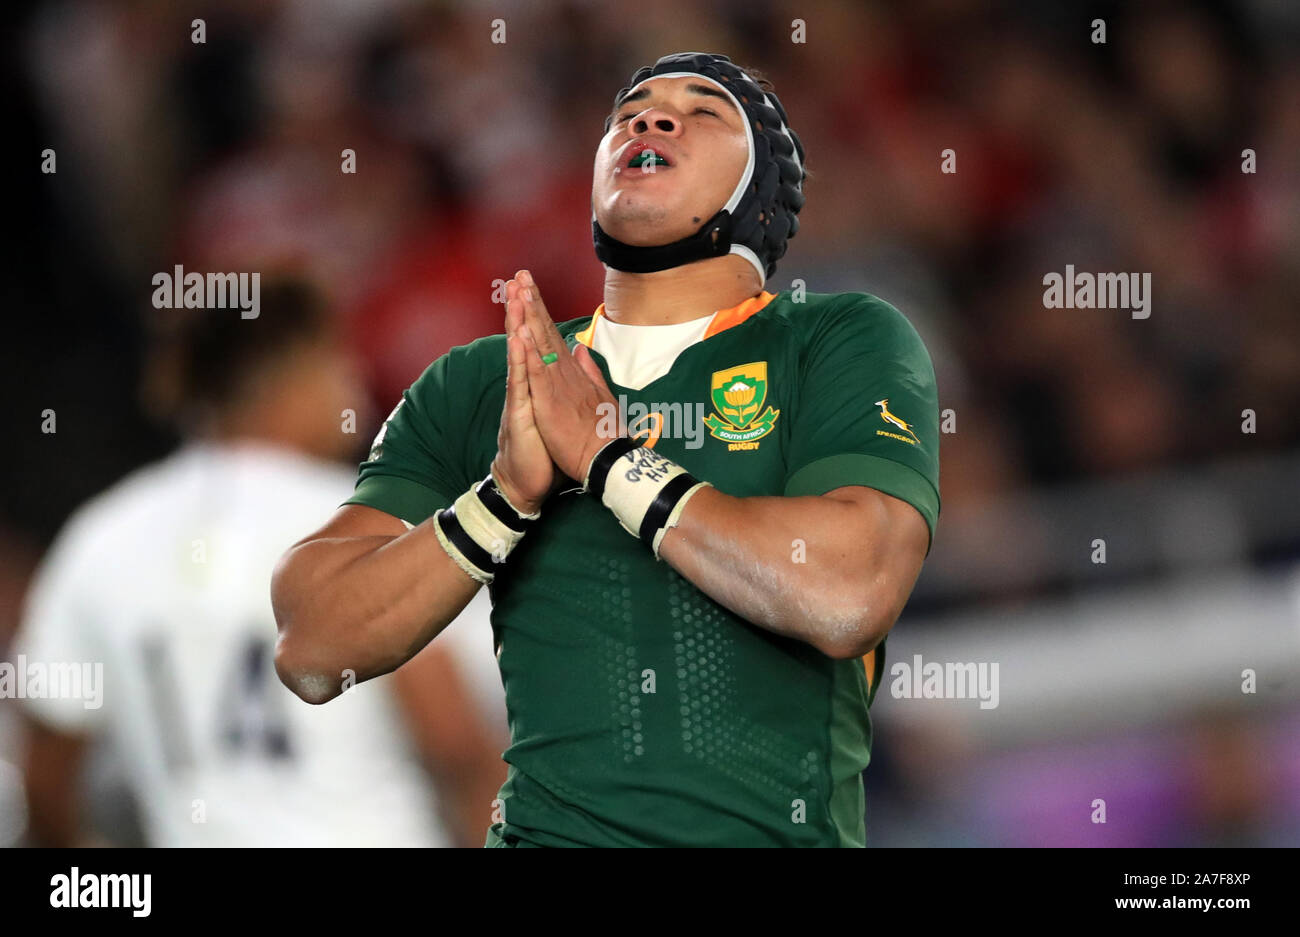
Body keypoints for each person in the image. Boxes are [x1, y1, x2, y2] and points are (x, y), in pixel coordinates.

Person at [273, 52, 940, 847]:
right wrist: (502, 501)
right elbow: (312, 645)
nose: (650, 119)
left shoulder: (836, 341)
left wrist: (613, 464)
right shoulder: (489, 380)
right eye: (633, 109)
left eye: (704, 112)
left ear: (758, 191)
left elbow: (849, 591)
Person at [17, 277, 506, 846]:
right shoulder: (367, 521)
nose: (356, 392)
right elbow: (454, 746)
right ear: (293, 376)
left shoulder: (101, 538)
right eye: (338, 365)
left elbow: (45, 781)